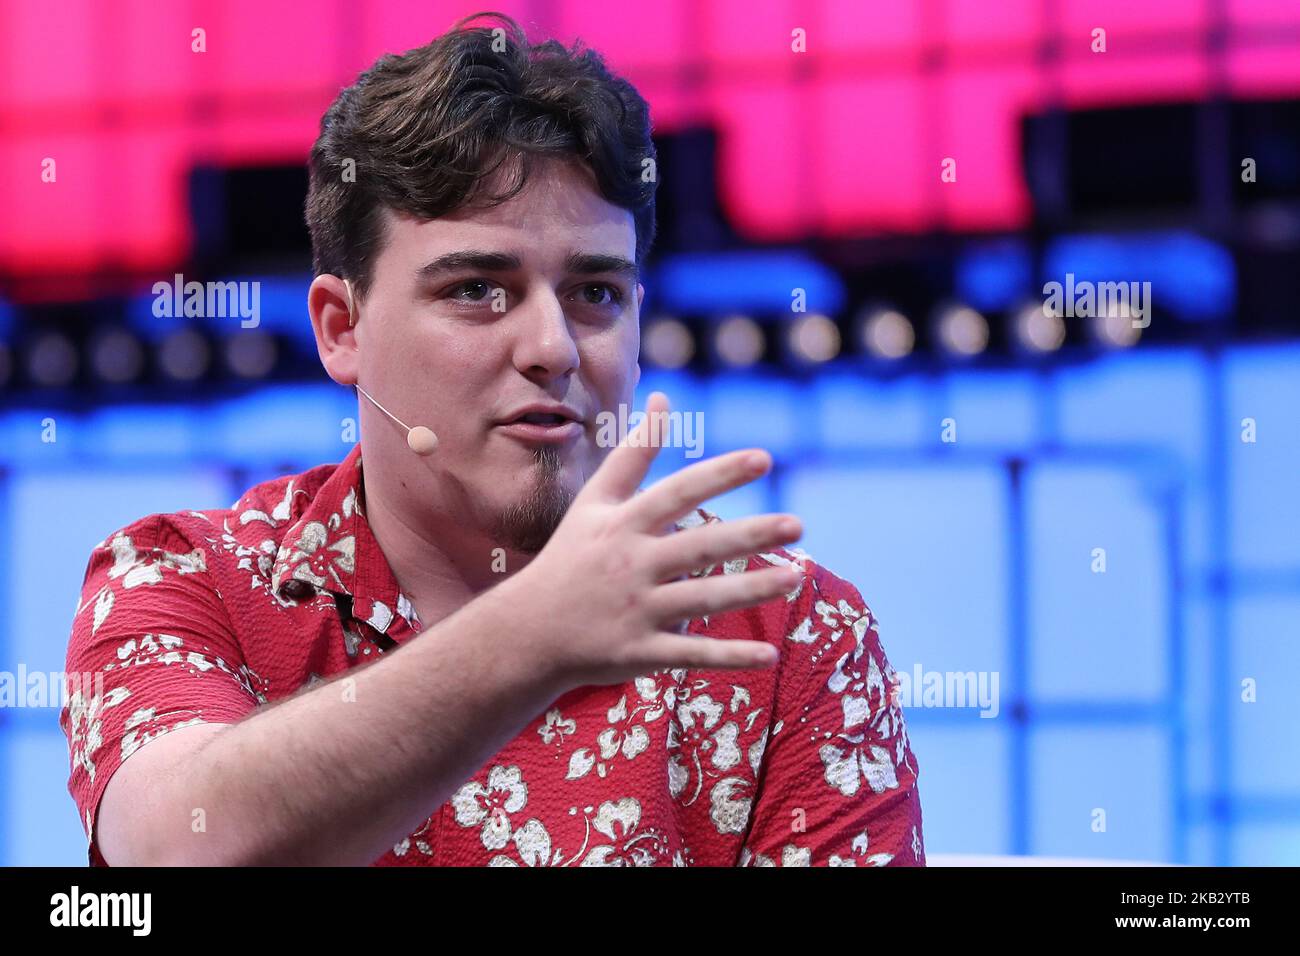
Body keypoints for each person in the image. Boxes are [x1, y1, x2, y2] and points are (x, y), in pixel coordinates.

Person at [59, 10, 925, 867]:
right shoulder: (187, 579)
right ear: (340, 329)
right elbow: (170, 850)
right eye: (478, 289)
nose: (551, 348)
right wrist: (528, 638)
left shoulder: (787, 632)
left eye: (596, 293)